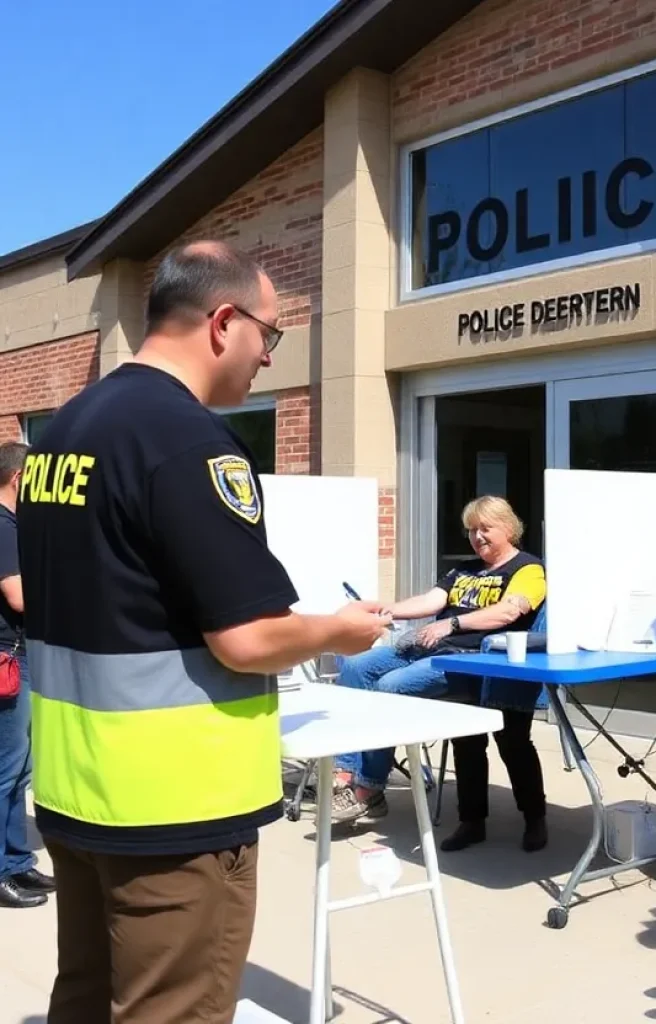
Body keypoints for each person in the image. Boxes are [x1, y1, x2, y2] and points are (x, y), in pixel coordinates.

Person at [16, 241, 390, 1024]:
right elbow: (247, 638)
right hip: (173, 815)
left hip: (76, 793)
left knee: (83, 998)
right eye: (270, 334)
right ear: (224, 322)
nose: (268, 358)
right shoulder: (188, 443)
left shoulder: (65, 434)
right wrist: (338, 631)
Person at [333, 495, 549, 852]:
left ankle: (369, 786)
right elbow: (430, 601)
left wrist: (452, 623)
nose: (477, 537)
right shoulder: (463, 569)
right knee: (357, 667)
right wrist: (384, 612)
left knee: (391, 689)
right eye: (471, 531)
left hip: (478, 663)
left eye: (485, 528)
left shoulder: (528, 569)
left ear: (508, 528)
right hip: (432, 650)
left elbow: (509, 613)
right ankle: (348, 771)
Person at [0, 441, 54, 909]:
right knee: (5, 769)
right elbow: (17, 596)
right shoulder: (1, 525)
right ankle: (1, 871)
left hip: (19, 657)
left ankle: (17, 861)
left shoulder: (13, 524)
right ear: (20, 479)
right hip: (8, 661)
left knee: (20, 771)